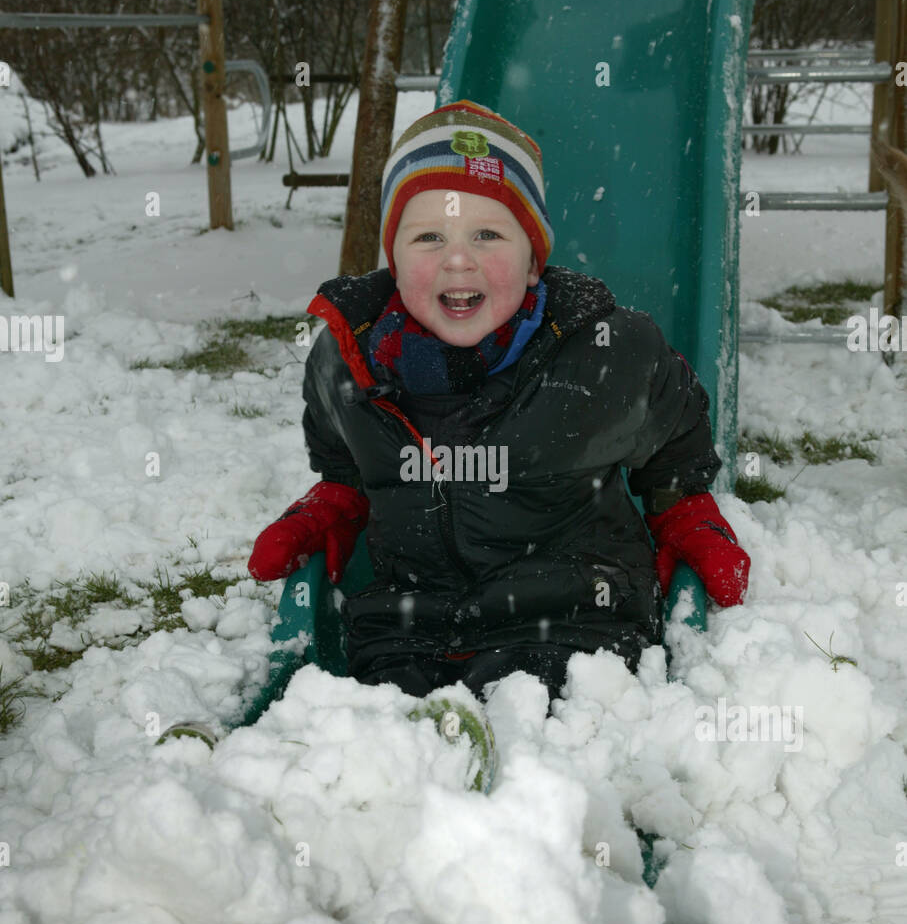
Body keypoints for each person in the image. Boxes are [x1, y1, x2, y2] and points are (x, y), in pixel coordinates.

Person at [248, 100, 750, 702]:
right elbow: (341, 448)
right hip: (410, 620)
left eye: (487, 235)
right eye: (428, 236)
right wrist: (337, 499)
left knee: (536, 701)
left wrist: (681, 508)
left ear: (534, 261)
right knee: (380, 718)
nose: (458, 259)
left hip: (568, 611)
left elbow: (674, 430)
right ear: (395, 260)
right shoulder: (346, 360)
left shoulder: (607, 353)